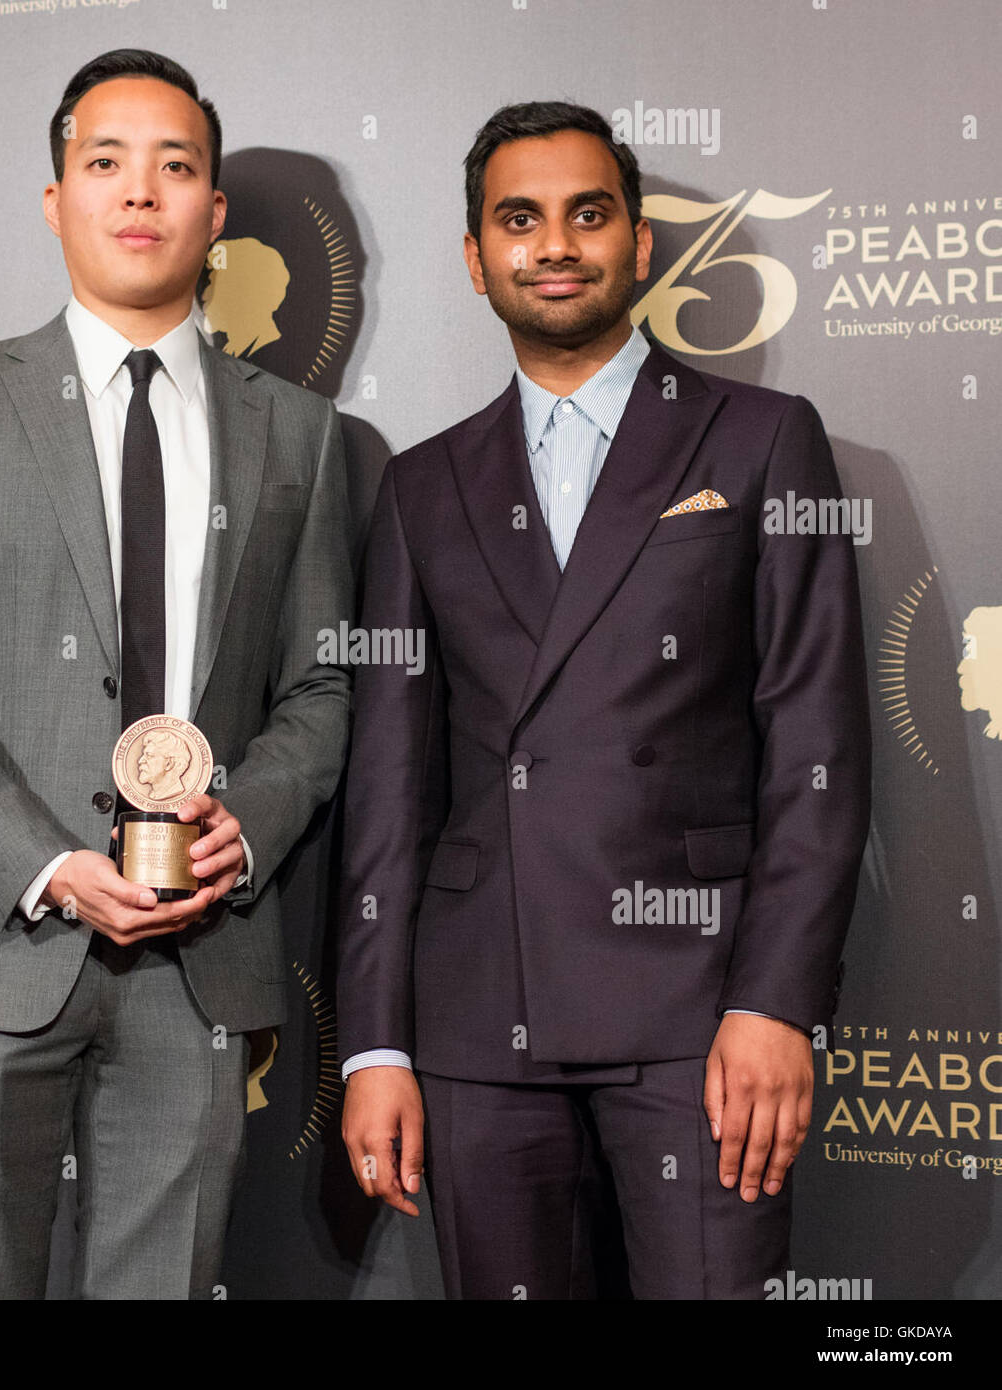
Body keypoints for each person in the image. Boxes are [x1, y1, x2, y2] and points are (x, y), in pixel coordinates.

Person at [337, 101, 870, 1299]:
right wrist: (374, 1041)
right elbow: (386, 780)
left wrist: (777, 1005)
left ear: (638, 242)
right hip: (479, 1025)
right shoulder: (422, 486)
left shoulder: (762, 440)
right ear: (477, 261)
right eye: (517, 220)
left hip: (698, 1019)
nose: (554, 244)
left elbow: (815, 743)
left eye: (588, 213)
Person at [0, 48, 352, 1299]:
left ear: (215, 212)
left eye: (175, 166)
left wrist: (248, 827)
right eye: (105, 163)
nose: (141, 192)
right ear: (55, 198)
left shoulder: (297, 435)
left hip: (200, 961)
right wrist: (48, 863)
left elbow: (321, 686)